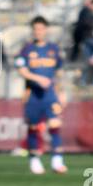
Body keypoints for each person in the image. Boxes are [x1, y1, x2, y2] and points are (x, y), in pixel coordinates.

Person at [15, 16, 67, 175]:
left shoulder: (53, 49)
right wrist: (38, 78)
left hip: (50, 94)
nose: (38, 32)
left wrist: (62, 91)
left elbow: (59, 72)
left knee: (55, 124)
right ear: (33, 31)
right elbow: (22, 70)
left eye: (41, 29)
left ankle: (57, 161)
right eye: (36, 29)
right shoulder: (27, 49)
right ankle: (34, 160)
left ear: (46, 30)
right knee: (33, 127)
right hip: (33, 94)